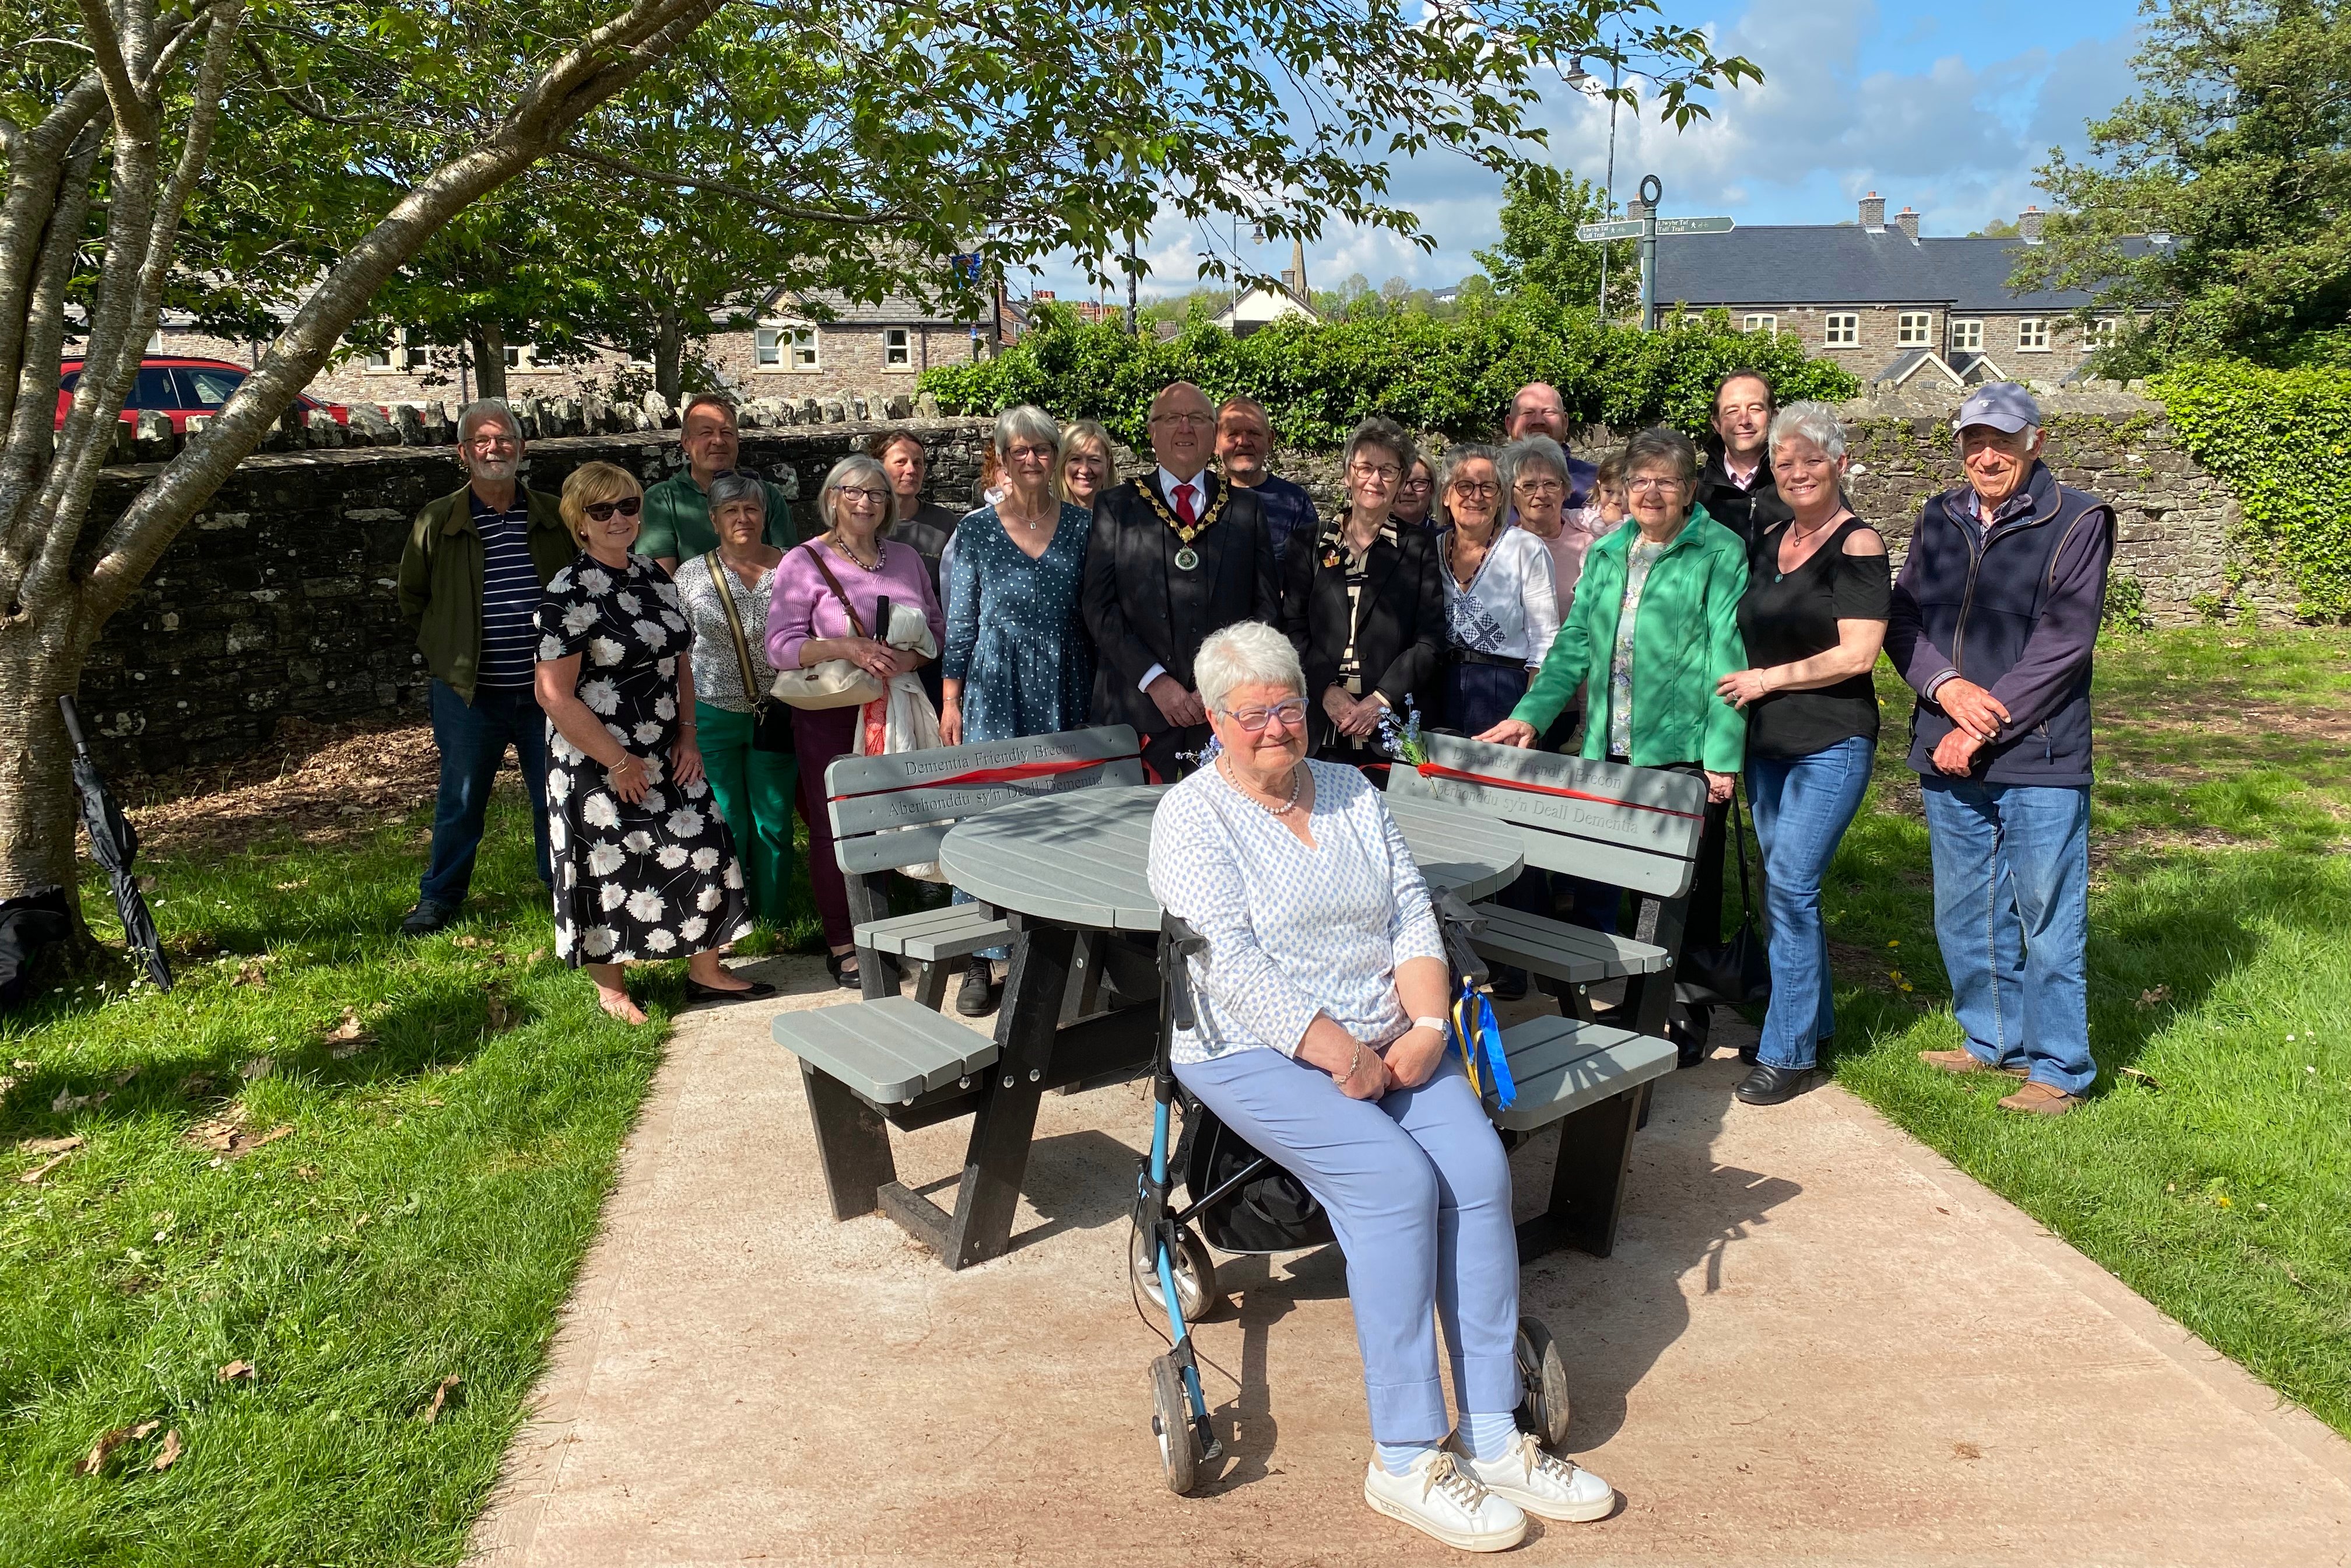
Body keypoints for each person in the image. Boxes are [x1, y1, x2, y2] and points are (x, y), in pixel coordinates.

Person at [1148, 622, 1614, 1553]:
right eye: (1252, 715)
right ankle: (1404, 1455)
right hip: (1253, 1048)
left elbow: (1411, 910)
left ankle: (1490, 1433)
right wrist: (1344, 1056)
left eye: (1288, 706)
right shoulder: (1191, 817)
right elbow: (1232, 969)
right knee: (1394, 1183)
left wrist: (1429, 1028)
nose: (1277, 728)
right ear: (1213, 719)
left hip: (1398, 1033)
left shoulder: (1355, 789)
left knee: (1478, 1173)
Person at [1478, 427, 1749, 1062]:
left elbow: (1726, 655)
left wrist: (1722, 758)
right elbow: (1575, 645)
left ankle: (1685, 1013)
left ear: (1688, 490)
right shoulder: (1607, 555)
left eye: (1666, 480)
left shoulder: (1718, 549)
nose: (1651, 491)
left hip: (1683, 750)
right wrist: (1530, 716)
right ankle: (1638, 1002)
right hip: (1612, 744)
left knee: (1688, 890)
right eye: (1640, 480)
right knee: (1630, 879)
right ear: (1623, 490)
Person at [1886, 383, 2114, 1116]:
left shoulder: (2077, 519)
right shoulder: (1939, 515)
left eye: (2004, 441)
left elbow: (2064, 644)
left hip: (2039, 750)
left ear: (2035, 442)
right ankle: (1992, 1041)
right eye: (1974, 441)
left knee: (2046, 913)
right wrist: (1945, 689)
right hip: (1947, 742)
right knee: (1965, 909)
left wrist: (1980, 722)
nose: (1987, 455)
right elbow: (1901, 616)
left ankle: (2059, 1068)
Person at [532, 462, 766, 1021]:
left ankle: (706, 969)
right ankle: (611, 989)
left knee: (707, 839)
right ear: (580, 521)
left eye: (628, 506)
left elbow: (680, 658)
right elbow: (553, 694)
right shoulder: (567, 593)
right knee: (604, 864)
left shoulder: (653, 576)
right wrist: (616, 761)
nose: (618, 518)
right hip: (594, 755)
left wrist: (688, 735)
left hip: (666, 743)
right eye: (602, 510)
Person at [1713, 404, 1890, 1105]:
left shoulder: (1858, 545)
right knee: (1784, 887)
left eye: (1810, 459)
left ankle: (1788, 1054)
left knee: (1790, 884)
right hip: (1769, 745)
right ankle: (1810, 1024)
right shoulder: (1770, 538)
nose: (1795, 472)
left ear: (1839, 464)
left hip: (1831, 740)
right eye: (1784, 462)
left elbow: (1859, 652)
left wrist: (1767, 680)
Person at [939, 406, 1096, 1015]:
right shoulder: (976, 529)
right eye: (1020, 450)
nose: (1032, 459)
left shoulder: (1084, 527)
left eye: (1043, 449)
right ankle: (981, 959)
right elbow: (960, 621)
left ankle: (1056, 956)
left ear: (1056, 457)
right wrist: (951, 699)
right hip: (995, 686)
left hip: (1067, 683)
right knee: (987, 819)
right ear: (1002, 458)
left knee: (1068, 819)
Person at [395, 398, 573, 936]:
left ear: (522, 447)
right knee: (462, 796)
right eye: (482, 441)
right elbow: (413, 596)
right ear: (464, 452)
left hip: (551, 691)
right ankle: (439, 897)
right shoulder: (437, 519)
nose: (494, 449)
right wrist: (446, 649)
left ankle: (562, 887)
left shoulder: (553, 513)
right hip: (470, 693)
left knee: (557, 793)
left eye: (504, 439)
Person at [766, 454, 945, 988]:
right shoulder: (803, 561)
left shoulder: (908, 557)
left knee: (892, 816)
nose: (866, 502)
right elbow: (780, 646)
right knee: (836, 827)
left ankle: (882, 927)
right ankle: (844, 943)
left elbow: (934, 625)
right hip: (831, 710)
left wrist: (907, 659)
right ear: (831, 497)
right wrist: (849, 646)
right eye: (854, 492)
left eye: (877, 494)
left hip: (897, 702)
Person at [1082, 380, 1281, 781]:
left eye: (1197, 419)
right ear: (1152, 432)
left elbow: (1265, 609)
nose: (1185, 428)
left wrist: (1220, 684)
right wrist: (1157, 683)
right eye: (1173, 418)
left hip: (1225, 713)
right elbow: (1099, 607)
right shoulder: (1117, 507)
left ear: (1213, 434)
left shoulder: (1246, 509)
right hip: (1136, 713)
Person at [673, 470, 798, 932]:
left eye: (751, 509)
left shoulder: (794, 566)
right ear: (714, 518)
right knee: (726, 819)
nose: (742, 518)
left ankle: (774, 917)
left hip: (779, 711)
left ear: (765, 515)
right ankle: (731, 917)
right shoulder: (691, 575)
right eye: (731, 510)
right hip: (713, 712)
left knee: (774, 821)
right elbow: (679, 651)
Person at [1280, 416, 1444, 760]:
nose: (1375, 479)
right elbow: (1292, 628)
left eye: (1388, 471)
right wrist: (1326, 689)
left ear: (1401, 483)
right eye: (1365, 467)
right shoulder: (1310, 542)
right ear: (1347, 474)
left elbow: (1429, 640)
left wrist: (1380, 700)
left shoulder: (1419, 547)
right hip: (1317, 724)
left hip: (1389, 728)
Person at [1434, 446, 1557, 738]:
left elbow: (1546, 642)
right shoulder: (1431, 550)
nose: (1476, 497)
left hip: (1504, 693)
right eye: (1464, 486)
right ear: (1446, 495)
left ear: (1501, 496)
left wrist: (1528, 716)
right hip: (1437, 690)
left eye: (1488, 487)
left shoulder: (1526, 549)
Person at [638, 391, 796, 572]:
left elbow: (790, 569)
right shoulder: (662, 500)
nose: (718, 441)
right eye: (706, 433)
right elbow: (662, 581)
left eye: (727, 433)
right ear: (686, 442)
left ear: (738, 440)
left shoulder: (767, 495)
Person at [1696, 371, 1792, 556]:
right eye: (1732, 411)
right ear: (1716, 423)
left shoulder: (1801, 486)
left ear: (1773, 416)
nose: (1744, 420)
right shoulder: (1693, 492)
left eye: (1755, 408)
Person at [1216, 395, 1320, 566]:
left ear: (1270, 440)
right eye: (1233, 434)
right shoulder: (1201, 500)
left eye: (1254, 433)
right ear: (1214, 442)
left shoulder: (1295, 502)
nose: (1244, 442)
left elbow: (1312, 571)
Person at [1501, 382, 1598, 508]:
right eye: (1528, 413)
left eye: (1549, 412)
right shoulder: (1489, 481)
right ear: (1509, 424)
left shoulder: (1598, 479)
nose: (1538, 421)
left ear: (1565, 422)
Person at [1056, 418, 1115, 513]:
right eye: (1075, 459)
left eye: (1094, 460)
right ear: (1061, 464)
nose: (1085, 470)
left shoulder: (1126, 518)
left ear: (1108, 464)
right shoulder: (1046, 519)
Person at [1392, 452, 1437, 530]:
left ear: (1432, 489)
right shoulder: (1370, 536)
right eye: (1401, 482)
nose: (1408, 491)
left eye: (1419, 482)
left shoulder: (1445, 539)